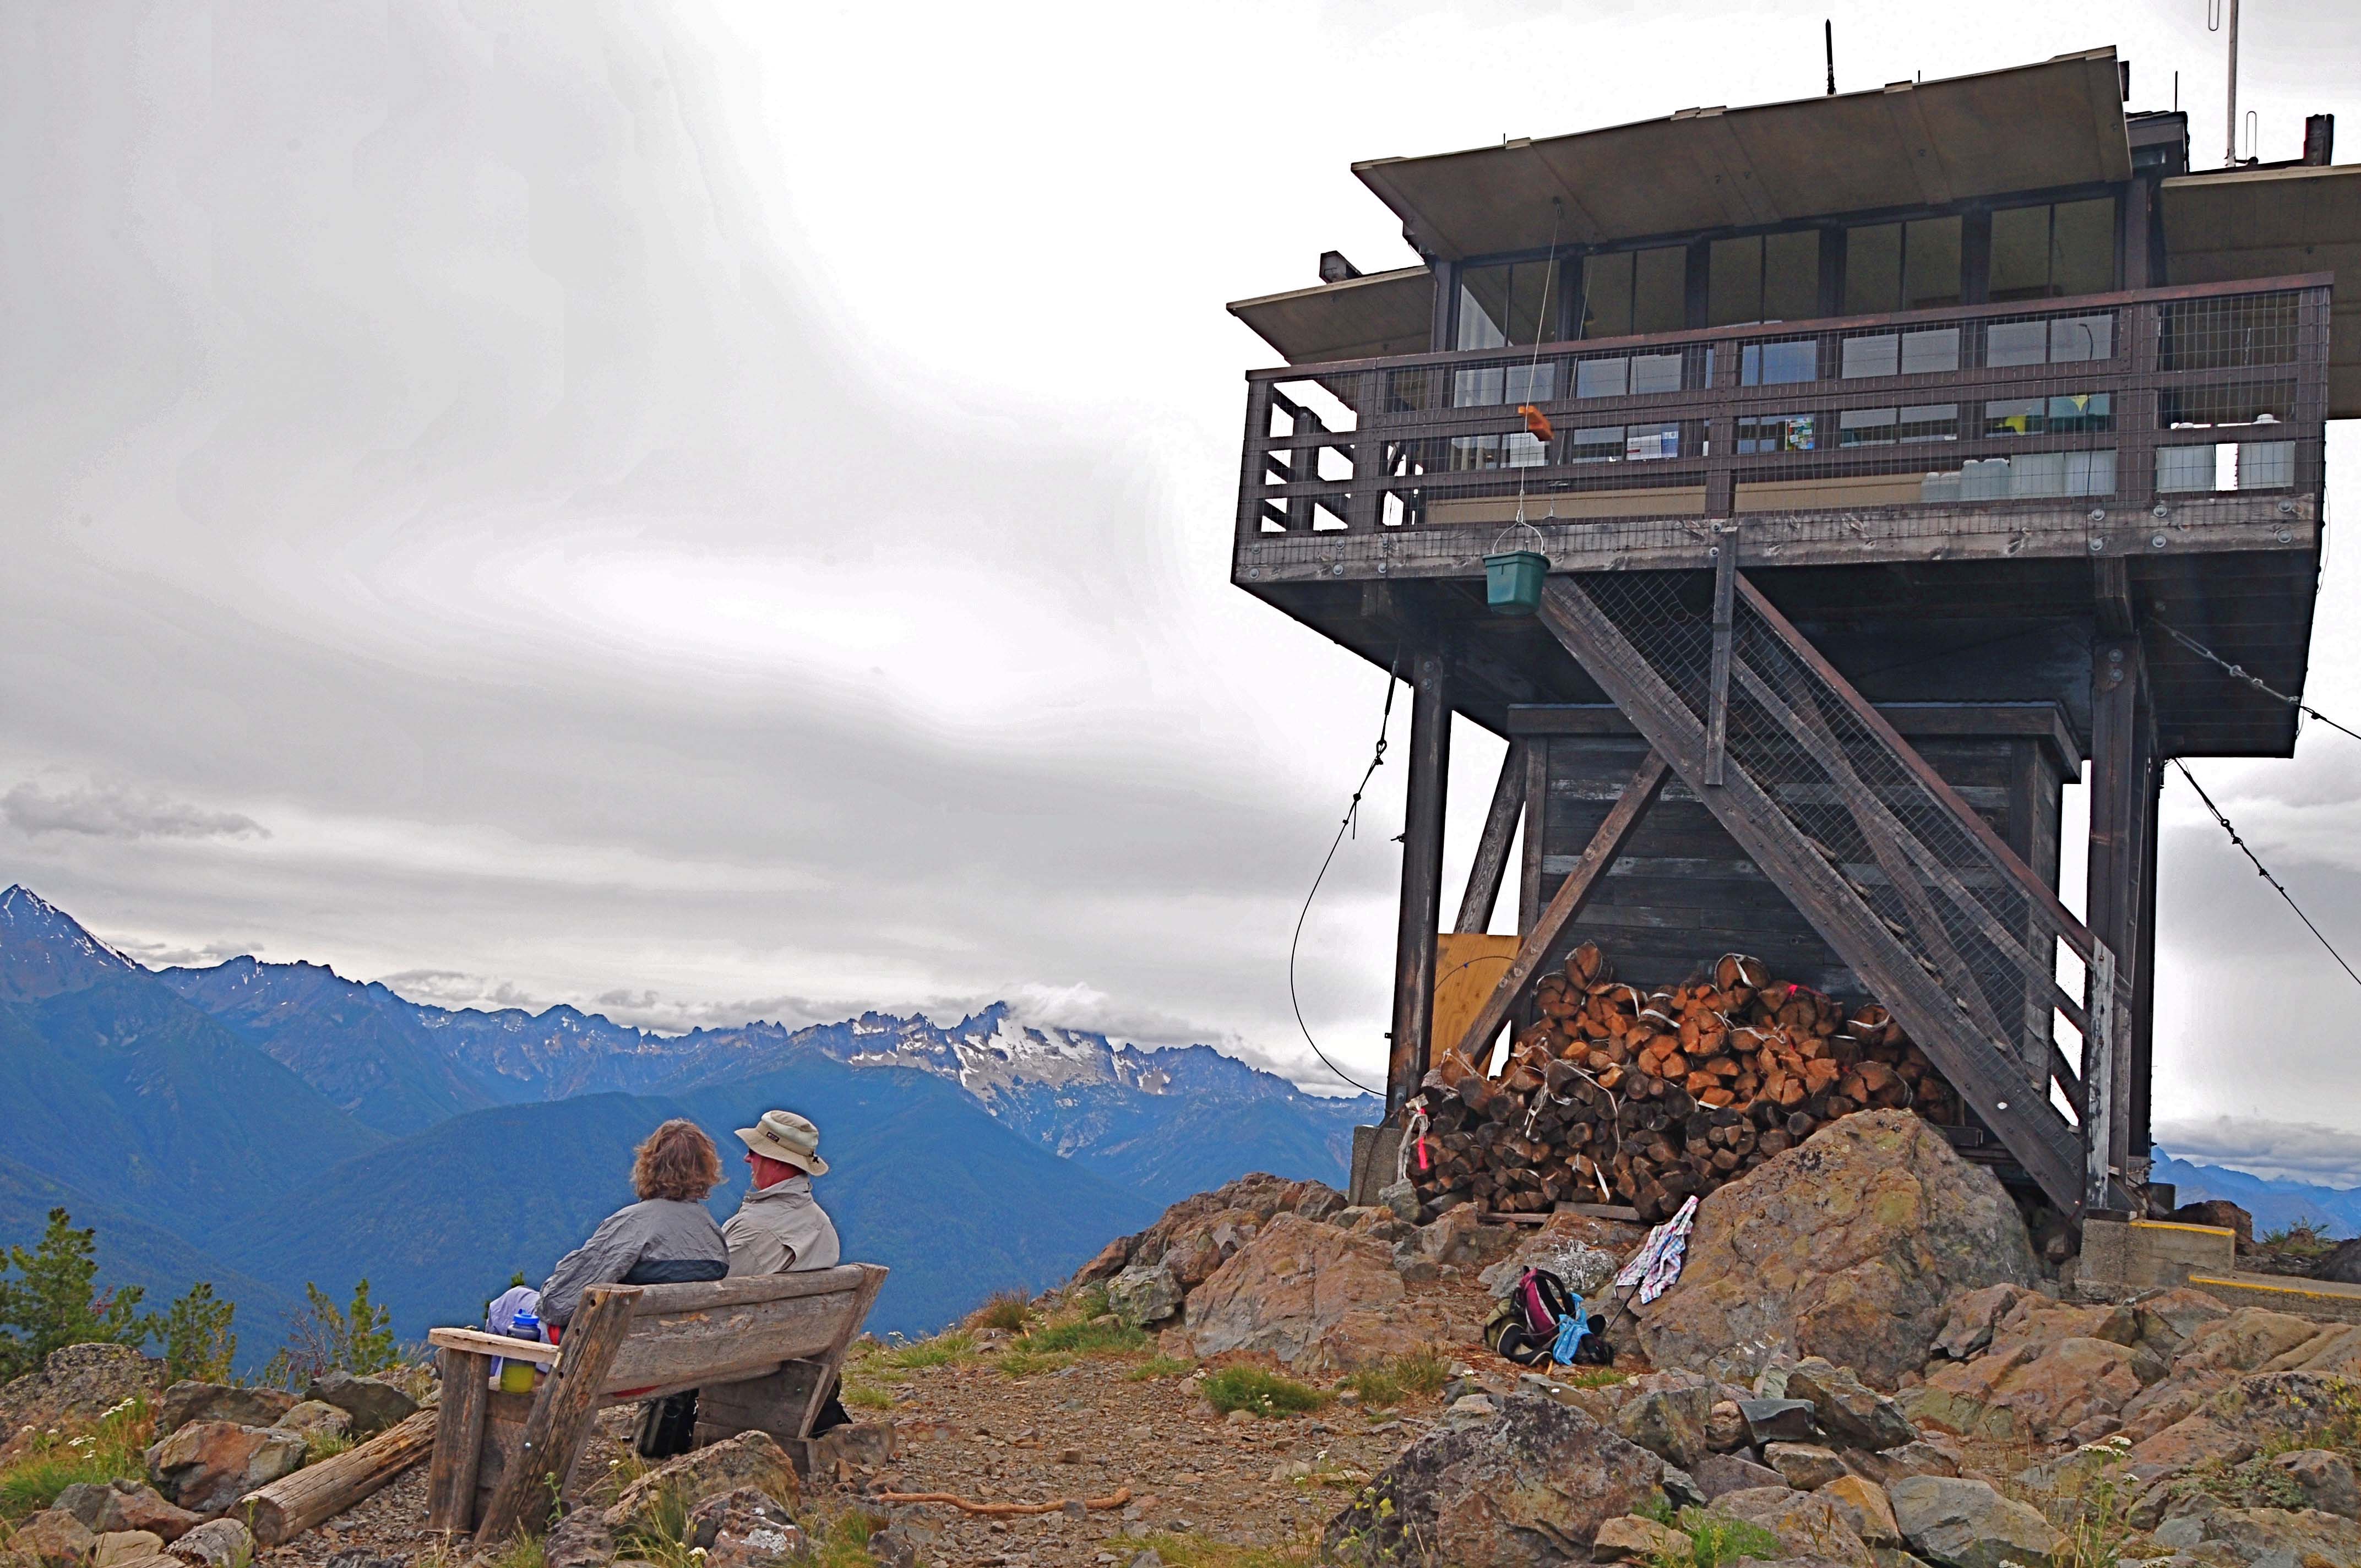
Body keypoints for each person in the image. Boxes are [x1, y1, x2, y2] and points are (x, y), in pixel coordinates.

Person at [539, 1119, 730, 1329]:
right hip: (679, 1350)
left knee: (512, 1301)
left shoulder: (633, 1224)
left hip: (609, 1349)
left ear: (649, 1164)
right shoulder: (713, 1234)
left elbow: (557, 1304)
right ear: (706, 1170)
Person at [724, 1108, 841, 1275]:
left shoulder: (753, 1231)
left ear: (776, 1161)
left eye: (752, 1151)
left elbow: (704, 1292)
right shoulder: (823, 1226)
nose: (747, 1158)